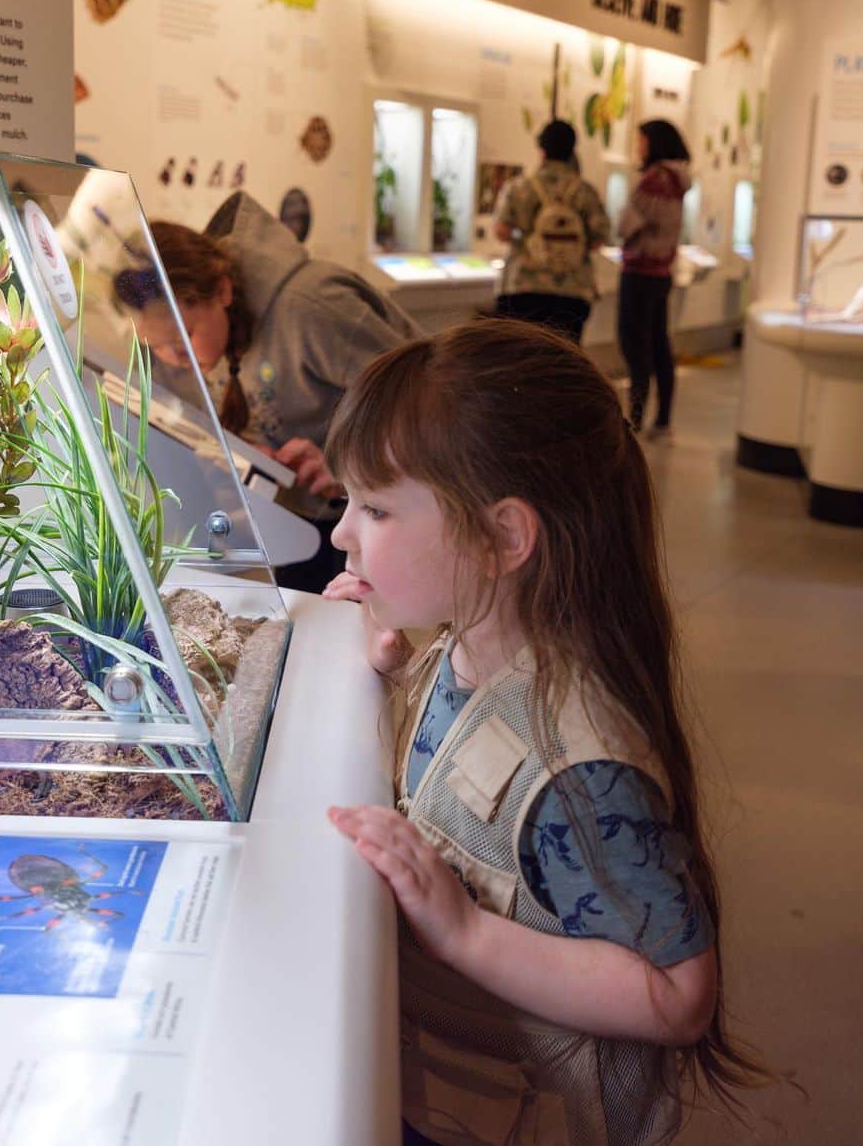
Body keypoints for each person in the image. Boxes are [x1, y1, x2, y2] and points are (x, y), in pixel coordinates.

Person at [321, 321, 766, 1146]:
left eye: (375, 507)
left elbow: (679, 992)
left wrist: (464, 930)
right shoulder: (463, 644)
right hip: (443, 1077)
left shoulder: (583, 766)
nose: (343, 532)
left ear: (502, 537)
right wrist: (390, 676)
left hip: (515, 1114)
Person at [113, 191, 418, 593]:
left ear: (222, 291)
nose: (175, 359)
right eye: (157, 347)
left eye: (184, 336)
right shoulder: (206, 341)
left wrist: (348, 468)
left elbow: (421, 398)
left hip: (386, 511)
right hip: (308, 521)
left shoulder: (311, 306)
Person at [492, 119, 610, 343]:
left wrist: (528, 240)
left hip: (522, 287)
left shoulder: (519, 187)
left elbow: (501, 231)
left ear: (541, 150)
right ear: (572, 150)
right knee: (563, 363)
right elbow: (598, 239)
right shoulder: (585, 191)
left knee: (519, 360)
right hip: (573, 290)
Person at [616, 119, 692, 441]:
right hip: (662, 271)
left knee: (636, 347)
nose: (638, 146)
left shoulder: (653, 180)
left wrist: (623, 225)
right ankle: (662, 419)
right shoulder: (678, 180)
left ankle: (634, 419)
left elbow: (629, 222)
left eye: (641, 140)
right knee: (660, 345)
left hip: (640, 270)